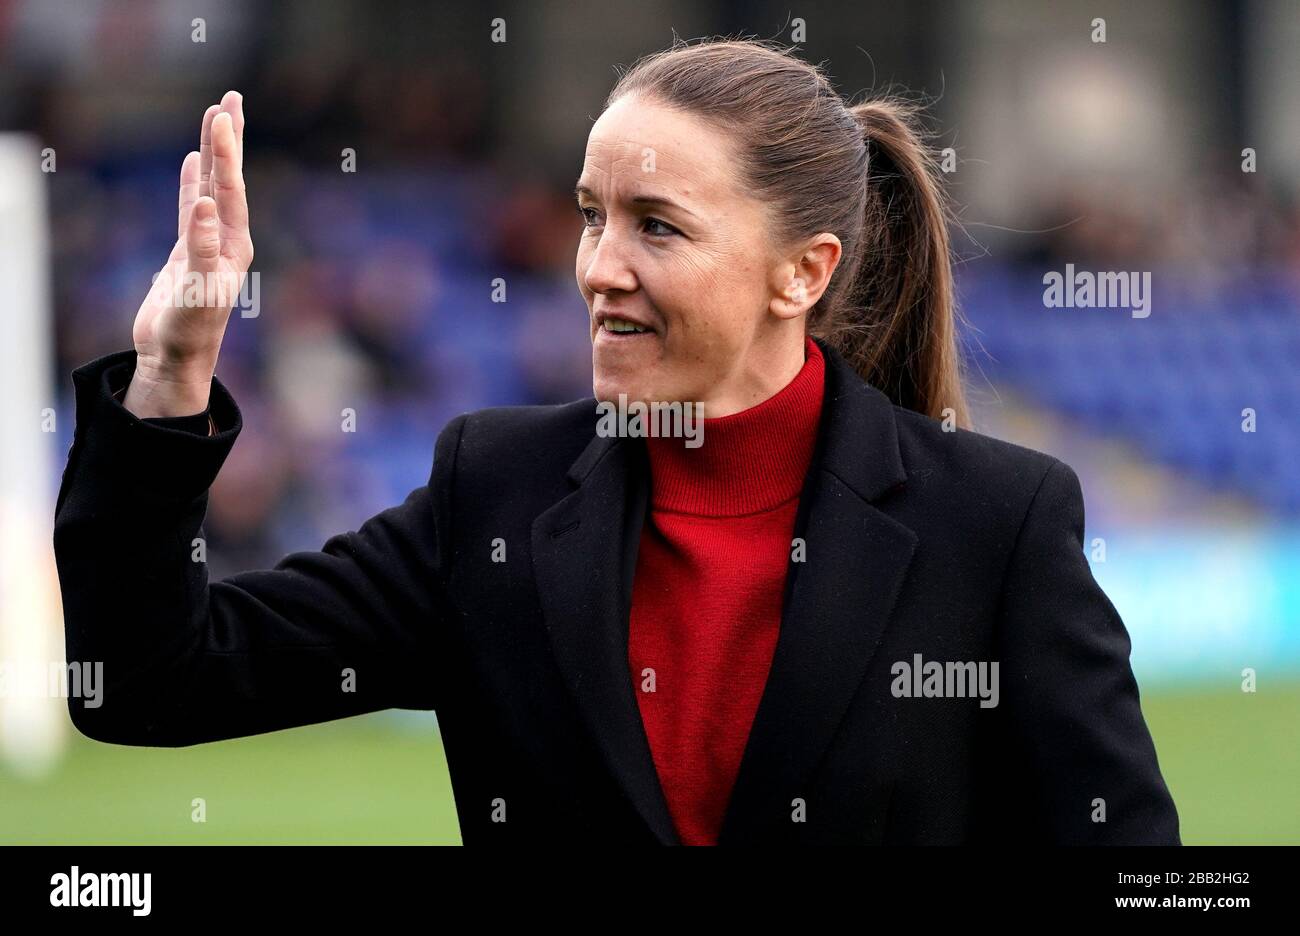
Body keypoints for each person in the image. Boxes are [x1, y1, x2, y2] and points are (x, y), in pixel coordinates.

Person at [54, 38, 1180, 845]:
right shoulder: (493, 491)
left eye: (657, 226)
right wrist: (170, 374)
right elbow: (147, 687)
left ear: (805, 270)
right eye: (593, 215)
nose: (597, 265)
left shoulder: (993, 520)